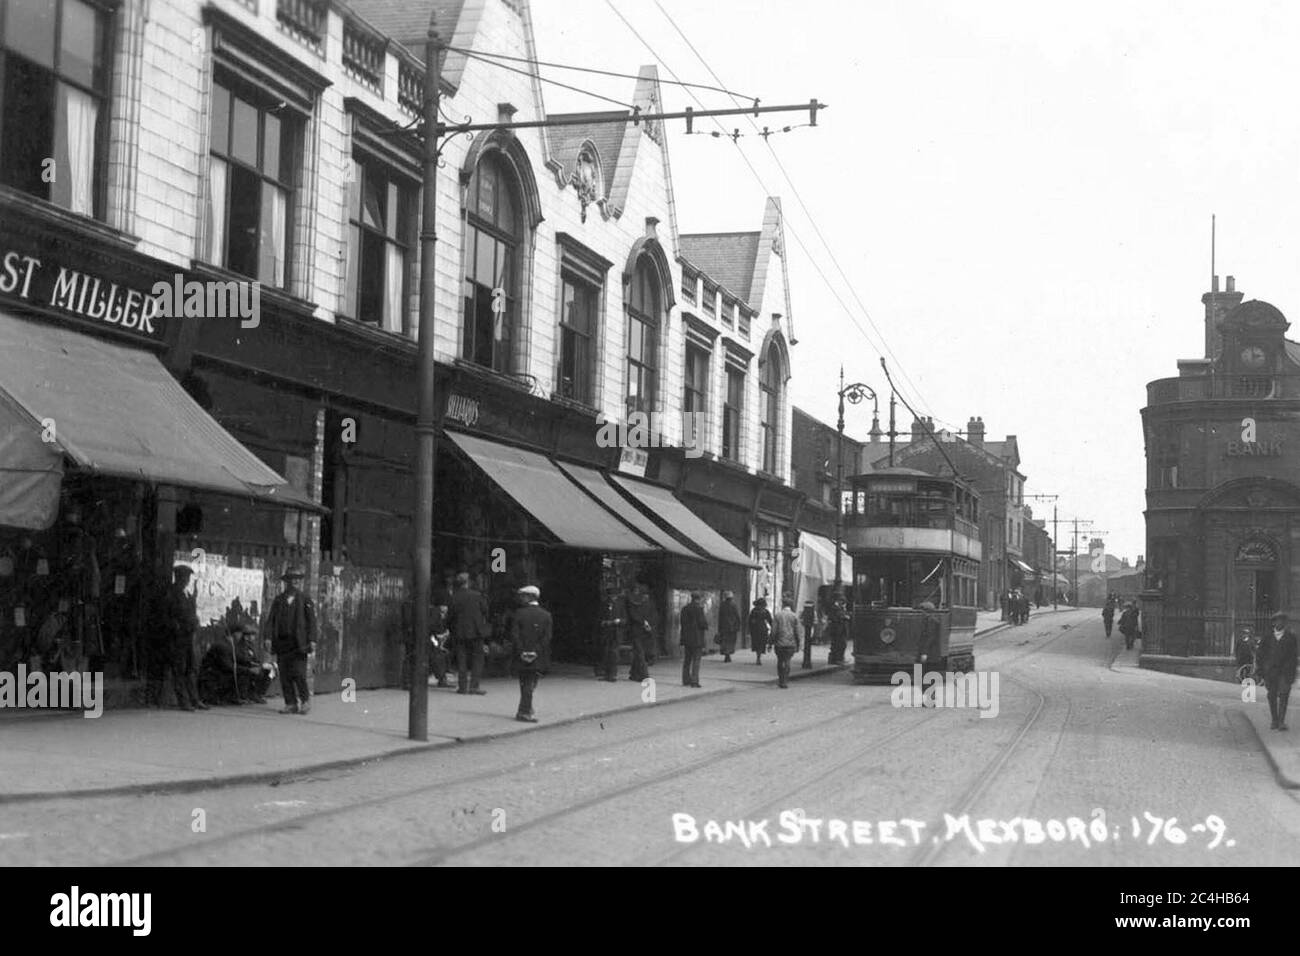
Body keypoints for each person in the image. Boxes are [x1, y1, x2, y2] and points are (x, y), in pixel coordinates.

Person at [266, 566, 317, 715]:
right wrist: (268, 637)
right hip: (282, 642)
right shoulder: (279, 600)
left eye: (296, 580)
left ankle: (305, 701)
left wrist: (312, 639)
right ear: (286, 582)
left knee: (299, 673)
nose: (294, 582)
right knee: (285, 674)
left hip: (299, 643)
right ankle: (290, 703)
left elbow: (312, 621)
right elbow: (271, 620)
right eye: (291, 580)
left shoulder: (304, 599)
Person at [159, 565, 207, 712]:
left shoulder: (185, 594)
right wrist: (177, 627)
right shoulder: (171, 593)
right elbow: (167, 615)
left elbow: (190, 613)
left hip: (188, 636)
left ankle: (194, 699)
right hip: (177, 638)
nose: (186, 581)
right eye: (184, 578)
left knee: (190, 669)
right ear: (178, 578)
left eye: (187, 578)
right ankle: (184, 701)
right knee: (180, 669)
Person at [509, 585, 552, 723]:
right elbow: (547, 637)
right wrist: (535, 651)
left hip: (522, 654)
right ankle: (525, 710)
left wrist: (522, 651)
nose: (521, 598)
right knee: (531, 682)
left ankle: (525, 710)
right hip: (537, 655)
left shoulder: (519, 614)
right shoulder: (546, 615)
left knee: (524, 682)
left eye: (523, 596)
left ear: (530, 597)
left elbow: (514, 635)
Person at [447, 571, 489, 695]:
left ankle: (462, 686)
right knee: (477, 658)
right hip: (476, 631)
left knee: (461, 659)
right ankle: (474, 686)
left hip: (459, 631)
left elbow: (451, 615)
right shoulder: (477, 595)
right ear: (468, 582)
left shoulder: (454, 596)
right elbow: (485, 611)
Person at [1260, 611, 1298, 731]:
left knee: (1284, 695)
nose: (1279, 623)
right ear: (1273, 622)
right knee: (1271, 696)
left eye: (1282, 620)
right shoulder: (1267, 637)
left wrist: (1292, 673)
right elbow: (1260, 654)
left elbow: (1294, 656)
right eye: (1277, 620)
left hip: (1285, 673)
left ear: (1285, 623)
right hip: (1271, 672)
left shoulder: (1291, 637)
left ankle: (1281, 721)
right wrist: (1262, 669)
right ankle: (1274, 720)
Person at [625, 582, 657, 681]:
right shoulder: (639, 603)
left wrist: (647, 624)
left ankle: (635, 674)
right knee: (640, 653)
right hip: (642, 631)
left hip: (639, 630)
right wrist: (648, 624)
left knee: (639, 653)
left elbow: (635, 616)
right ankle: (643, 674)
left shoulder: (636, 603)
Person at [771, 596, 802, 688]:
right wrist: (798, 642)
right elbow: (797, 631)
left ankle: (781, 679)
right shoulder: (794, 616)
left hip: (779, 642)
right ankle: (785, 679)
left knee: (780, 661)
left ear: (783, 604)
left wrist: (770, 642)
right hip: (790, 642)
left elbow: (773, 631)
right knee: (787, 661)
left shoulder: (778, 615)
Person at [679, 591, 708, 688]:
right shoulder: (699, 609)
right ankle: (694, 681)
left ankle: (685, 679)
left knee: (687, 660)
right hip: (697, 639)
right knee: (696, 660)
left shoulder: (684, 609)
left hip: (687, 639)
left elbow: (682, 623)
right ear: (698, 599)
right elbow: (703, 623)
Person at [916, 601, 942, 706]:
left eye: (922, 611)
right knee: (928, 677)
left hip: (929, 654)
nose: (921, 613)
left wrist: (924, 653)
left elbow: (929, 638)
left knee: (927, 677)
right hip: (932, 654)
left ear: (927, 611)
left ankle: (929, 700)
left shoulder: (930, 621)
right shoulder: (932, 620)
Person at [597, 584, 625, 682]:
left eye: (614, 596)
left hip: (616, 632)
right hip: (606, 632)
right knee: (606, 653)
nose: (613, 598)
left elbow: (625, 619)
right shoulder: (604, 605)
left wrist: (619, 621)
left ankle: (613, 674)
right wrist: (604, 622)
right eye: (611, 596)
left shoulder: (620, 606)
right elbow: (599, 618)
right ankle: (606, 674)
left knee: (614, 653)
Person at [747, 597, 772, 666]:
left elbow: (749, 621)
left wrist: (749, 629)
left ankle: (758, 657)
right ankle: (759, 656)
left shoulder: (754, 611)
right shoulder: (765, 611)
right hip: (763, 629)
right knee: (762, 643)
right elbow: (770, 621)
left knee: (757, 644)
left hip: (755, 630)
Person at [717, 591, 741, 663]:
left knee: (725, 641)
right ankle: (728, 654)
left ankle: (726, 655)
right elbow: (737, 616)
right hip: (732, 627)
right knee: (731, 641)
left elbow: (720, 617)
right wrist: (738, 625)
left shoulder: (722, 605)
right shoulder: (734, 605)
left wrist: (719, 627)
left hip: (724, 627)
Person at [827, 593, 850, 664]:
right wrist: (845, 616)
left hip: (840, 630)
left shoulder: (839, 608)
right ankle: (838, 659)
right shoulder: (835, 608)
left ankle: (836, 659)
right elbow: (838, 617)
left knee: (838, 645)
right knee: (839, 645)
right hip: (838, 630)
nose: (843, 603)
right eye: (842, 602)